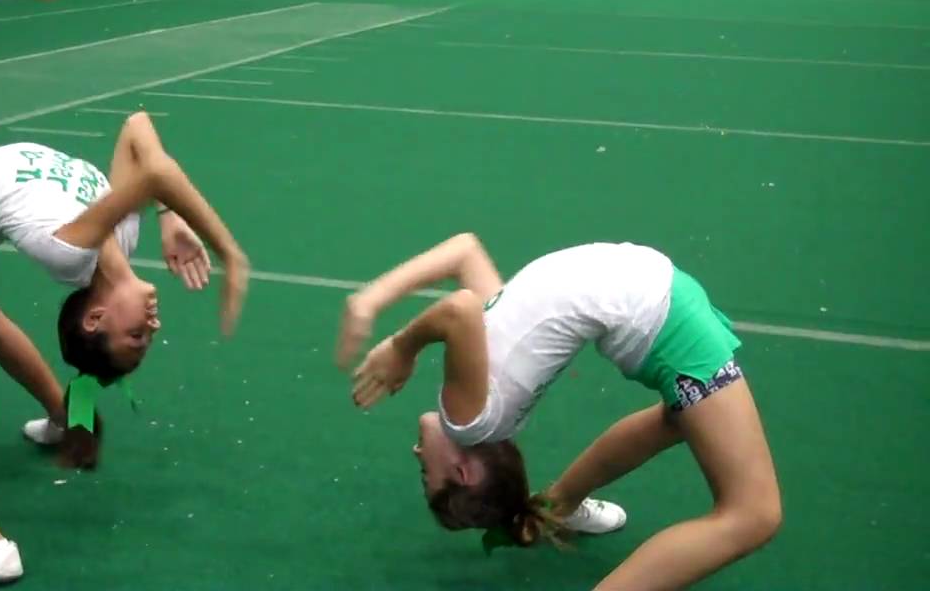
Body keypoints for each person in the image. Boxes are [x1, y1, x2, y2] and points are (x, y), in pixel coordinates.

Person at [0, 110, 249, 591]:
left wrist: (212, 240)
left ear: (96, 317)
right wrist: (178, 223)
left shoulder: (68, 251)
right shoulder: (121, 237)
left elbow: (153, 173)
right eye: (147, 338)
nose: (153, 325)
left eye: (137, 337)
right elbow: (136, 127)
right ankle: (67, 419)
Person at [335, 235, 781, 591]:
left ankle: (560, 505)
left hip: (658, 304)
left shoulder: (479, 404)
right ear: (464, 470)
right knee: (753, 514)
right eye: (423, 472)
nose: (415, 452)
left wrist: (387, 325)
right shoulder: (471, 420)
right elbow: (460, 299)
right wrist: (389, 329)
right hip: (663, 313)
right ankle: (562, 505)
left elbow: (464, 270)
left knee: (678, 422)